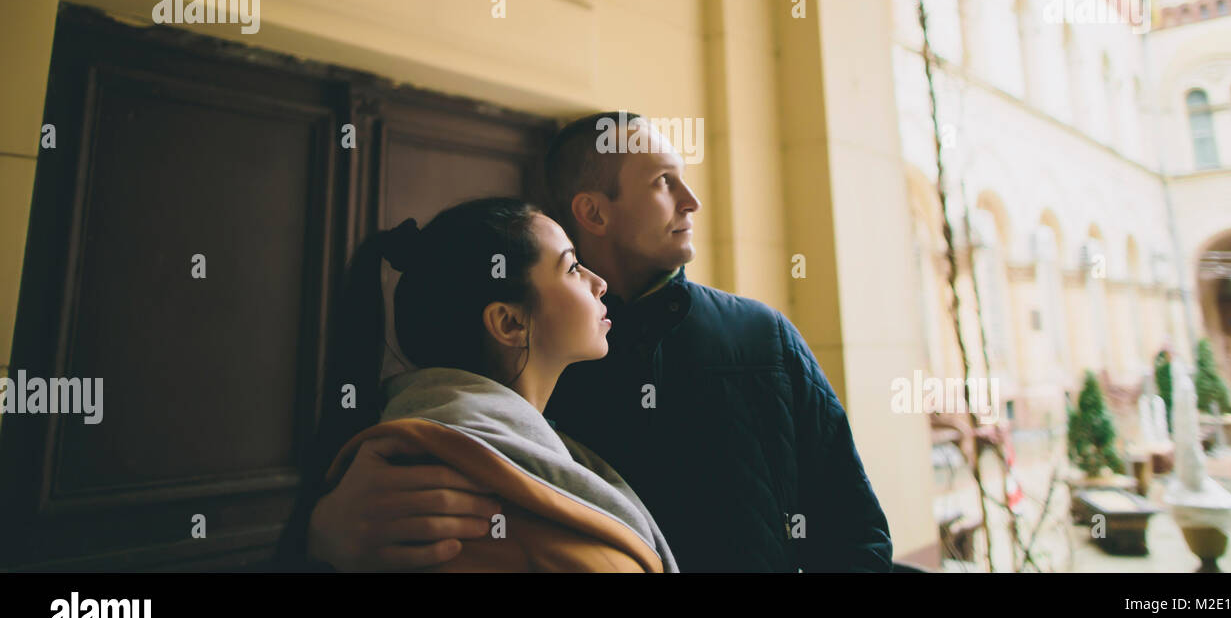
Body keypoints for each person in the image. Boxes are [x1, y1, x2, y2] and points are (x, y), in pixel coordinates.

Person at [288, 111, 892, 572]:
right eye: (663, 182)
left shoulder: (762, 337)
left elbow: (857, 534)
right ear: (594, 212)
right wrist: (321, 535)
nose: (692, 201)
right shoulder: (499, 388)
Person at [283, 196, 676, 572]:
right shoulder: (450, 475)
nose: (599, 282)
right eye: (572, 268)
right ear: (509, 323)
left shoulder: (505, 440)